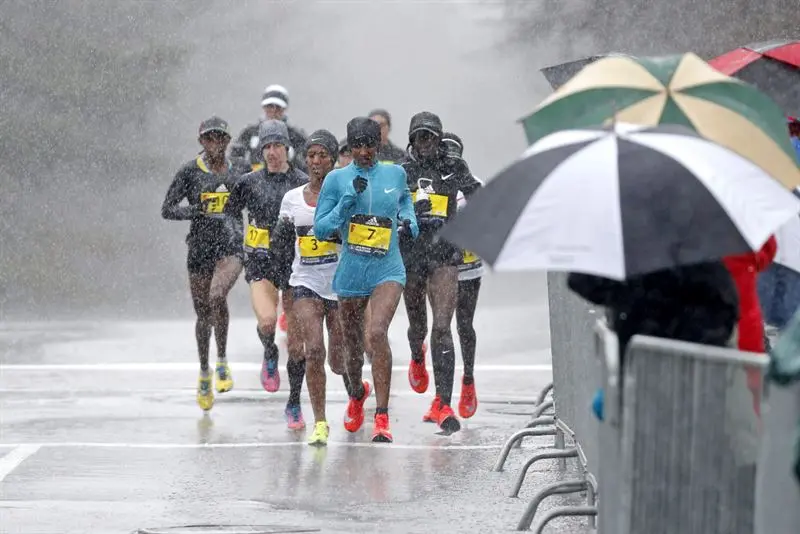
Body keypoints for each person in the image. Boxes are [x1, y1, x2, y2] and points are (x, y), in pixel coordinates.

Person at [313, 116, 419, 443]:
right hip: (352, 271)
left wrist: (408, 223)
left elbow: (405, 205)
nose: (363, 152)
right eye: (357, 145)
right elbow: (321, 228)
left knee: (377, 333)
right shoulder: (335, 180)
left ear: (379, 145)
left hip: (388, 267)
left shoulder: (395, 173)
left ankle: (382, 416)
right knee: (352, 349)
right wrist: (347, 201)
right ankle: (357, 393)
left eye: (369, 145)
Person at [224, 119, 309, 428]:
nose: (272, 153)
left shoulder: (302, 181)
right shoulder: (248, 182)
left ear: (287, 148)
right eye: (267, 147)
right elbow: (231, 215)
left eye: (277, 146)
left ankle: (294, 402)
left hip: (297, 266)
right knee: (268, 321)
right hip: (261, 264)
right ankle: (270, 350)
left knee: (298, 344)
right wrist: (241, 244)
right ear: (260, 151)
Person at [401, 118, 482, 434]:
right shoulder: (401, 172)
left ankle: (443, 402)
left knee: (442, 327)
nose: (425, 142)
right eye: (419, 137)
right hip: (411, 258)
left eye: (431, 137)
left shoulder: (455, 167)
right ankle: (416, 356)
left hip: (446, 258)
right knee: (418, 326)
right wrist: (404, 218)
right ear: (411, 141)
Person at [273, 130, 350, 445]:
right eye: (311, 156)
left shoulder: (346, 195)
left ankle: (356, 390)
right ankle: (320, 422)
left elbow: (358, 237)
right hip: (304, 282)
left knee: (337, 361)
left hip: (341, 284)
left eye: (322, 156)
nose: (316, 162)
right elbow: (280, 243)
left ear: (333, 159)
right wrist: (278, 239)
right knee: (313, 350)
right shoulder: (292, 198)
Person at [161, 116, 242, 411]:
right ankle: (205, 370)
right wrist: (195, 210)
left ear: (227, 141)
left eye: (220, 137)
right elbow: (167, 209)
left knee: (217, 296)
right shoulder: (189, 172)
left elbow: (255, 202)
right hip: (200, 248)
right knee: (203, 313)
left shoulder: (238, 172)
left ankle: (222, 360)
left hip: (231, 247)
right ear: (201, 142)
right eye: (209, 138)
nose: (215, 143)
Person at [568, 262, 740, 356]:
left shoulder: (636, 255)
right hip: (701, 372)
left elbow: (581, 281)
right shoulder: (699, 251)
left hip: (641, 368)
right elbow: (728, 305)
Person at [449, 133, 484, 419]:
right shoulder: (430, 182)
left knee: (464, 325)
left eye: (454, 152)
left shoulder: (475, 185)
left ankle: (469, 379)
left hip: (470, 268)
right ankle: (441, 398)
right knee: (440, 329)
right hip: (439, 267)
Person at [723, 237, 777, 415]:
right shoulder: (745, 222)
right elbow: (769, 248)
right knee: (747, 413)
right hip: (745, 332)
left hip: (710, 332)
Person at [230, 84, 308, 175]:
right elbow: (235, 161)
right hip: (254, 185)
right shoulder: (249, 133)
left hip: (287, 184)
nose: (273, 110)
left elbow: (305, 165)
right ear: (264, 107)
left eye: (277, 107)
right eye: (270, 106)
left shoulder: (297, 136)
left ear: (284, 108)